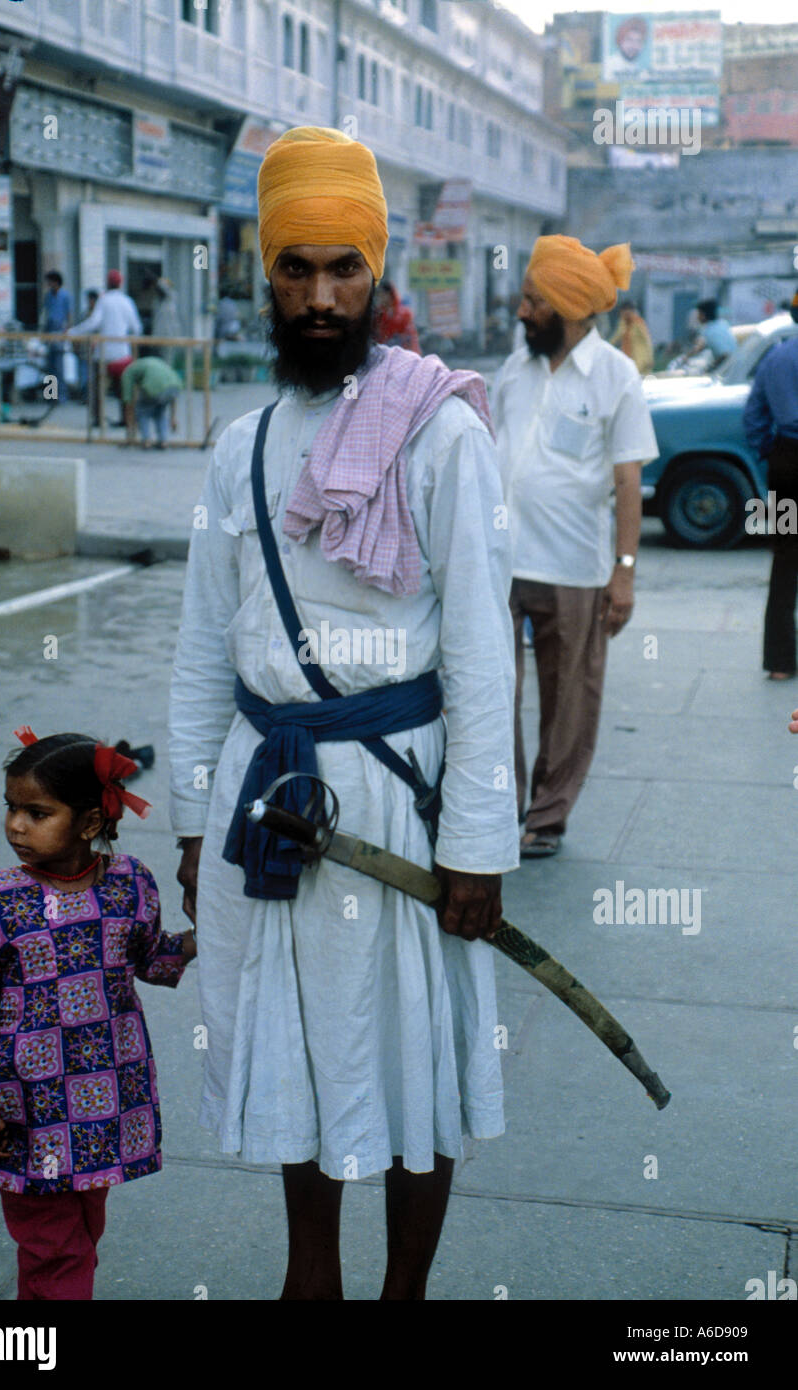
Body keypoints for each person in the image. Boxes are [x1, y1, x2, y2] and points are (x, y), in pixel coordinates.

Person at [168, 125, 518, 1300]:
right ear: (261, 274)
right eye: (294, 269)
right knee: (296, 1046)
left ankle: (401, 1295)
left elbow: (479, 655)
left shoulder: (444, 432)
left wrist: (475, 846)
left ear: (379, 274)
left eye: (344, 270)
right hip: (266, 793)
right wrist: (186, 813)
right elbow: (198, 650)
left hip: (401, 802)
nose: (319, 298)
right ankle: (305, 1279)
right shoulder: (239, 447)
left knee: (415, 1055)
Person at [0, 729, 195, 1301]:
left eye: (36, 812)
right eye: (11, 808)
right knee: (56, 1250)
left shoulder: (130, 884)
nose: (16, 826)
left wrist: (207, 936)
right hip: (28, 1106)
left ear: (90, 822)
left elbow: (152, 960)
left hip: (104, 1103)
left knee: (80, 1235)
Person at [491, 235, 658, 858]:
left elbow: (627, 480)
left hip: (574, 569)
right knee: (488, 689)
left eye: (534, 301)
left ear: (571, 308)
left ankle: (548, 816)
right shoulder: (517, 364)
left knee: (569, 699)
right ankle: (495, 807)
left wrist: (625, 572)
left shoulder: (615, 376)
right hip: (500, 562)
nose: (522, 311)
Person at [743, 292, 798, 680]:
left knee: (784, 561)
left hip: (785, 462)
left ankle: (779, 664)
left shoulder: (776, 357)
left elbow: (753, 417)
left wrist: (770, 451)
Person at [69, 270, 142, 425]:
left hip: (104, 354)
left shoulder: (104, 300)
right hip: (123, 355)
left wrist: (73, 332)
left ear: (108, 283)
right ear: (120, 283)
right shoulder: (127, 301)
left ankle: (98, 420)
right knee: (124, 390)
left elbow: (94, 322)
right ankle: (127, 419)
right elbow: (136, 328)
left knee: (98, 390)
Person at [121, 353, 182, 449]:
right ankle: (163, 440)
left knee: (142, 411)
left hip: (154, 387)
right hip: (175, 385)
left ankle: (146, 440)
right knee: (160, 412)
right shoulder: (150, 362)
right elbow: (173, 398)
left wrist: (130, 426)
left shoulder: (128, 372)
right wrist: (173, 417)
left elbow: (128, 400)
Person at [41, 271, 72, 405]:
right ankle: (51, 394)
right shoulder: (48, 296)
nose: (48, 284)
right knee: (50, 366)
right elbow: (46, 313)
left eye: (50, 281)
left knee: (59, 366)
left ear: (56, 282)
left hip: (60, 330)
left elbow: (69, 314)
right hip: (50, 330)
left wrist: (67, 331)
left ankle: (62, 395)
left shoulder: (65, 296)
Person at [685, 299, 736, 368]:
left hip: (731, 368)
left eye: (698, 314)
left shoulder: (709, 331)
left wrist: (711, 368)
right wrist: (687, 356)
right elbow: (700, 346)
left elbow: (725, 355)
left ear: (703, 315)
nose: (697, 317)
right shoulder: (722, 323)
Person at [374, 279, 420, 353]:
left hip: (404, 353)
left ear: (390, 294)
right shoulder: (378, 315)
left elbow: (410, 338)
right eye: (378, 295)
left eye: (382, 294)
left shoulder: (404, 314)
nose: (380, 298)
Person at [610, 299, 654, 375]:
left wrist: (650, 358)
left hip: (640, 359)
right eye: (623, 312)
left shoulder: (638, 323)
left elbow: (647, 340)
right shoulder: (623, 323)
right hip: (628, 357)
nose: (624, 314)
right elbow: (616, 337)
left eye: (627, 312)